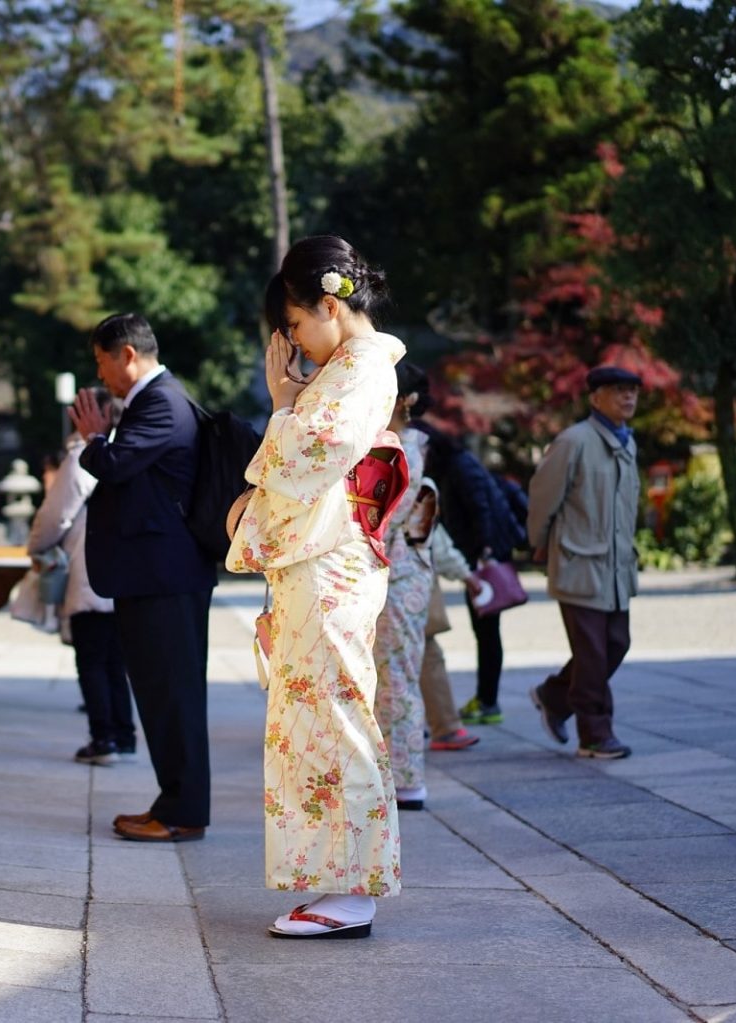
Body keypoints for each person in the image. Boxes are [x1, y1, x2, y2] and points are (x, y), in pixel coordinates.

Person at [226, 235, 405, 938]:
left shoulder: (361, 368)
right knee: (312, 720)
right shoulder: (346, 370)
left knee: (335, 715)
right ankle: (332, 881)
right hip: (323, 565)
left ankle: (354, 890)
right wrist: (291, 401)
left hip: (333, 569)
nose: (294, 341)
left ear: (331, 305)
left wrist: (282, 406)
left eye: (296, 323)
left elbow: (311, 451)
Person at [68, 313, 216, 842]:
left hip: (166, 578)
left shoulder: (162, 402)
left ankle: (182, 813)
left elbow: (115, 465)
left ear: (127, 355)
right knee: (161, 695)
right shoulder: (154, 401)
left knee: (173, 696)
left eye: (101, 360)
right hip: (156, 576)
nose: (100, 373)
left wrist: (94, 438)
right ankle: (173, 805)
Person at [526, 365, 643, 760]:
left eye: (632, 391)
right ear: (596, 398)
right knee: (593, 655)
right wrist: (538, 543)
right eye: (619, 390)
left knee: (617, 644)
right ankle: (595, 734)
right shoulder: (573, 441)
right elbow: (543, 497)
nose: (628, 397)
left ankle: (553, 696)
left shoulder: (628, 443)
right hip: (578, 563)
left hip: (616, 569)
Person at [26, 388, 137, 766]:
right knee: (115, 661)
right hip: (125, 572)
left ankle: (103, 738)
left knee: (91, 659)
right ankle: (123, 735)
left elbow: (54, 515)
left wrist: (36, 547)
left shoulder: (83, 456)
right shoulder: (132, 450)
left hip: (89, 568)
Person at [411, 421, 524, 726]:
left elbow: (480, 506)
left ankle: (488, 701)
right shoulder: (454, 467)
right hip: (476, 552)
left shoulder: (460, 467)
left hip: (482, 555)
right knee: (485, 630)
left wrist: (485, 551)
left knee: (487, 630)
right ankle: (486, 699)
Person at [373, 361, 436, 810]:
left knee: (395, 678)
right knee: (395, 677)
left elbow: (382, 523)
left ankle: (406, 779)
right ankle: (398, 775)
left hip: (397, 576)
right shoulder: (409, 446)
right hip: (407, 573)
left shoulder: (402, 451)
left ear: (403, 400)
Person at [422, 524, 480, 751]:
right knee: (429, 658)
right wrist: (466, 575)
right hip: (408, 594)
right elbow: (438, 545)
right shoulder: (413, 498)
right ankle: (445, 728)